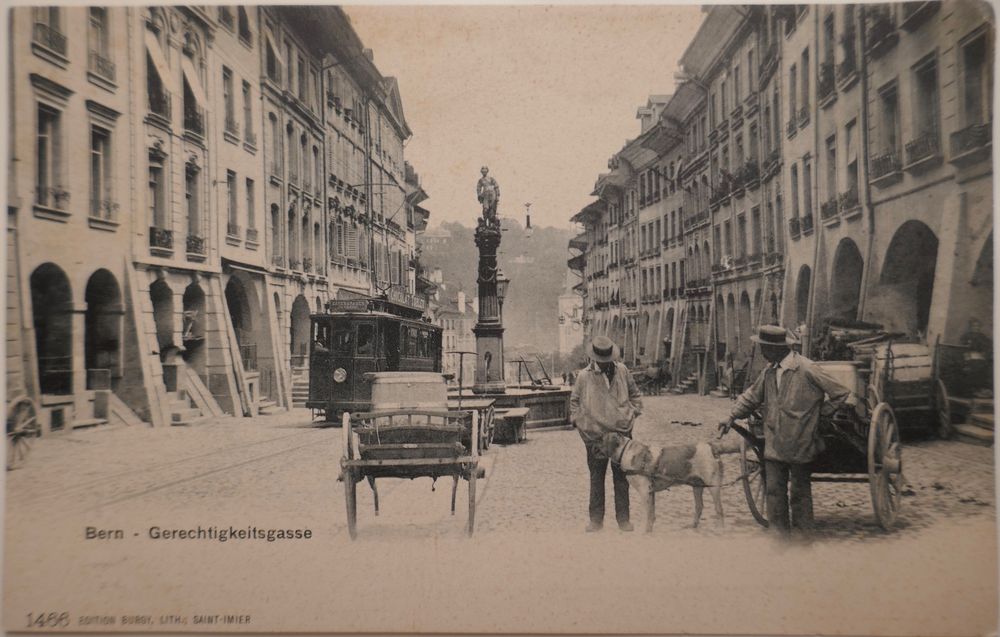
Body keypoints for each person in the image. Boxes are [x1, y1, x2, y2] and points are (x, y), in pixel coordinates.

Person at [719, 325, 852, 538]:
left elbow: (840, 392)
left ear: (776, 348)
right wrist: (731, 416)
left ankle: (802, 538)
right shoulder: (769, 372)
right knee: (773, 491)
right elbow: (751, 396)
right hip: (774, 442)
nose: (761, 351)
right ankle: (779, 536)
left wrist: (818, 414)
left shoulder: (807, 368)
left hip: (801, 441)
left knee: (799, 492)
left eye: (764, 347)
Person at [570, 336, 643, 532]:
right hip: (595, 436)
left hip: (622, 435)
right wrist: (581, 424)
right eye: (601, 360)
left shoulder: (622, 370)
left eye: (607, 359)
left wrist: (633, 412)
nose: (604, 363)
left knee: (622, 477)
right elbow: (574, 401)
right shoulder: (584, 376)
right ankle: (596, 520)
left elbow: (635, 394)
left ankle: (624, 520)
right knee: (596, 477)